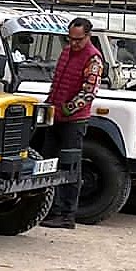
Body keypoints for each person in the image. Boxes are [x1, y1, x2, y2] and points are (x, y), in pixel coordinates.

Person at [40, 16, 103, 229]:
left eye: (78, 39)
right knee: (49, 163)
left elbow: (89, 92)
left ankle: (67, 214)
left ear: (88, 36)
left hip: (74, 119)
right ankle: (50, 208)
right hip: (55, 114)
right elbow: (57, 81)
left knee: (70, 165)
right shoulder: (66, 51)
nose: (74, 43)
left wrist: (68, 108)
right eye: (71, 39)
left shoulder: (93, 58)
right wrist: (51, 104)